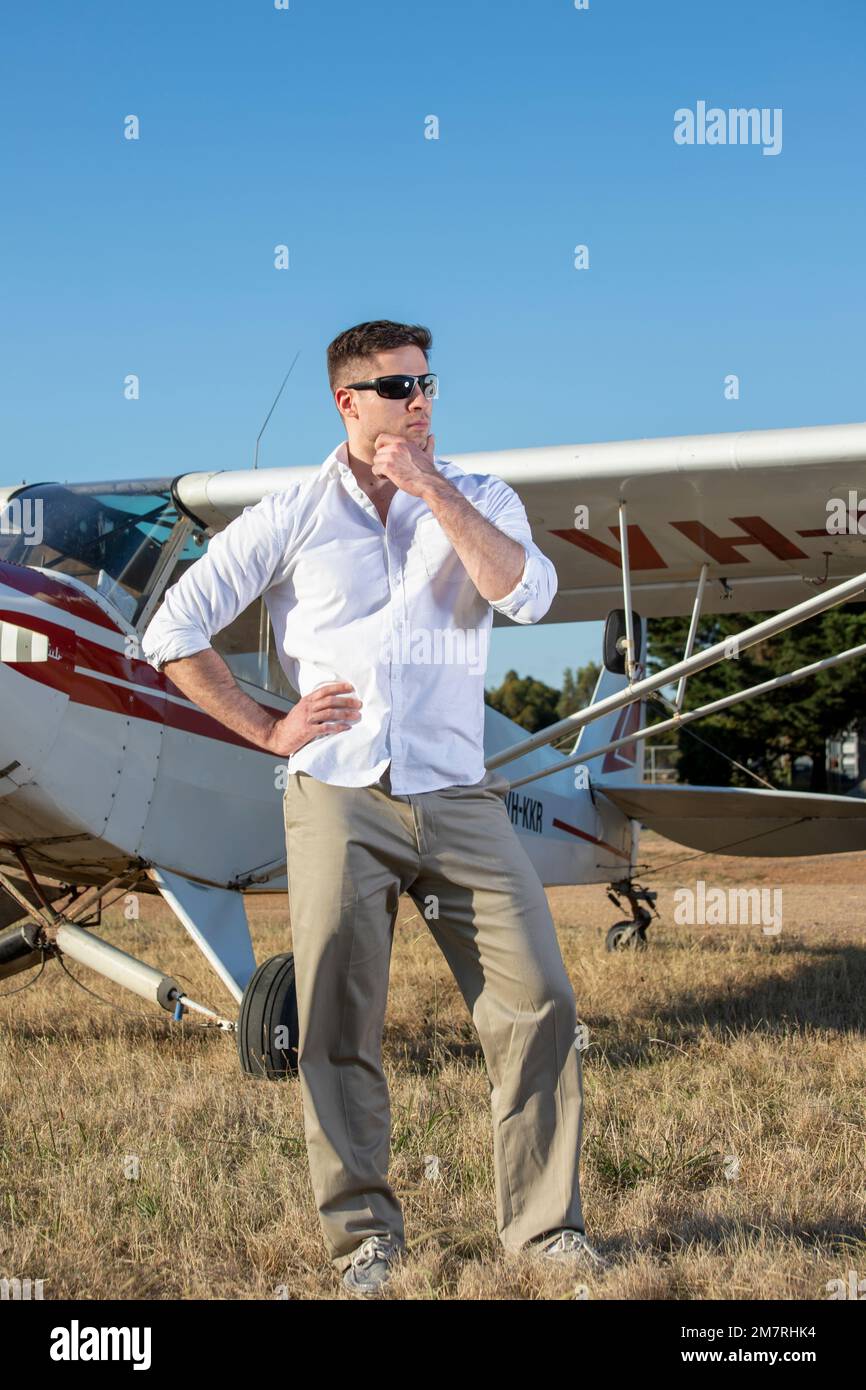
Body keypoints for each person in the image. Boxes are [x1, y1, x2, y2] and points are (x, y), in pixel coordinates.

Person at [141, 319, 608, 1297]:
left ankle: (543, 1234)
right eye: (396, 388)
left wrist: (433, 487)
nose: (419, 401)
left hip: (458, 794)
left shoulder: (477, 496)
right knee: (336, 1025)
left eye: (428, 384)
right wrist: (264, 727)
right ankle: (363, 1241)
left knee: (539, 1003)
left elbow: (524, 594)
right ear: (346, 403)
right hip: (335, 797)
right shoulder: (289, 513)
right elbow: (171, 627)